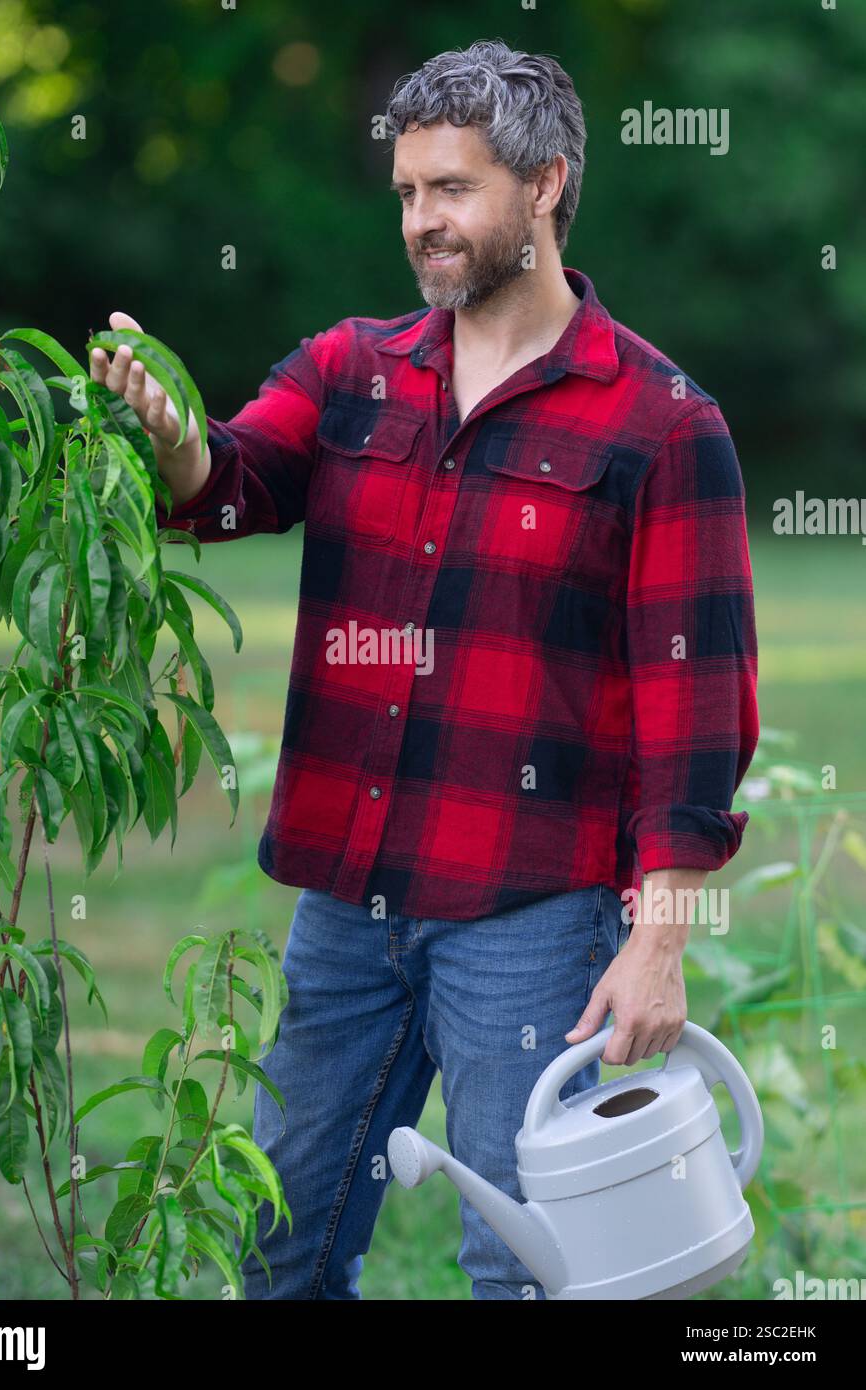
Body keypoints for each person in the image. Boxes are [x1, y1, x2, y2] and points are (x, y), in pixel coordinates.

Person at [89, 39, 759, 1300]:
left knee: (521, 1263)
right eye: (406, 193)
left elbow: (696, 706)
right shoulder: (354, 370)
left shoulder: (661, 422)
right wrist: (171, 432)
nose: (421, 222)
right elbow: (227, 486)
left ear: (546, 184)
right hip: (349, 909)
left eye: (451, 190)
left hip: (536, 918)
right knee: (282, 1237)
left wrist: (658, 936)